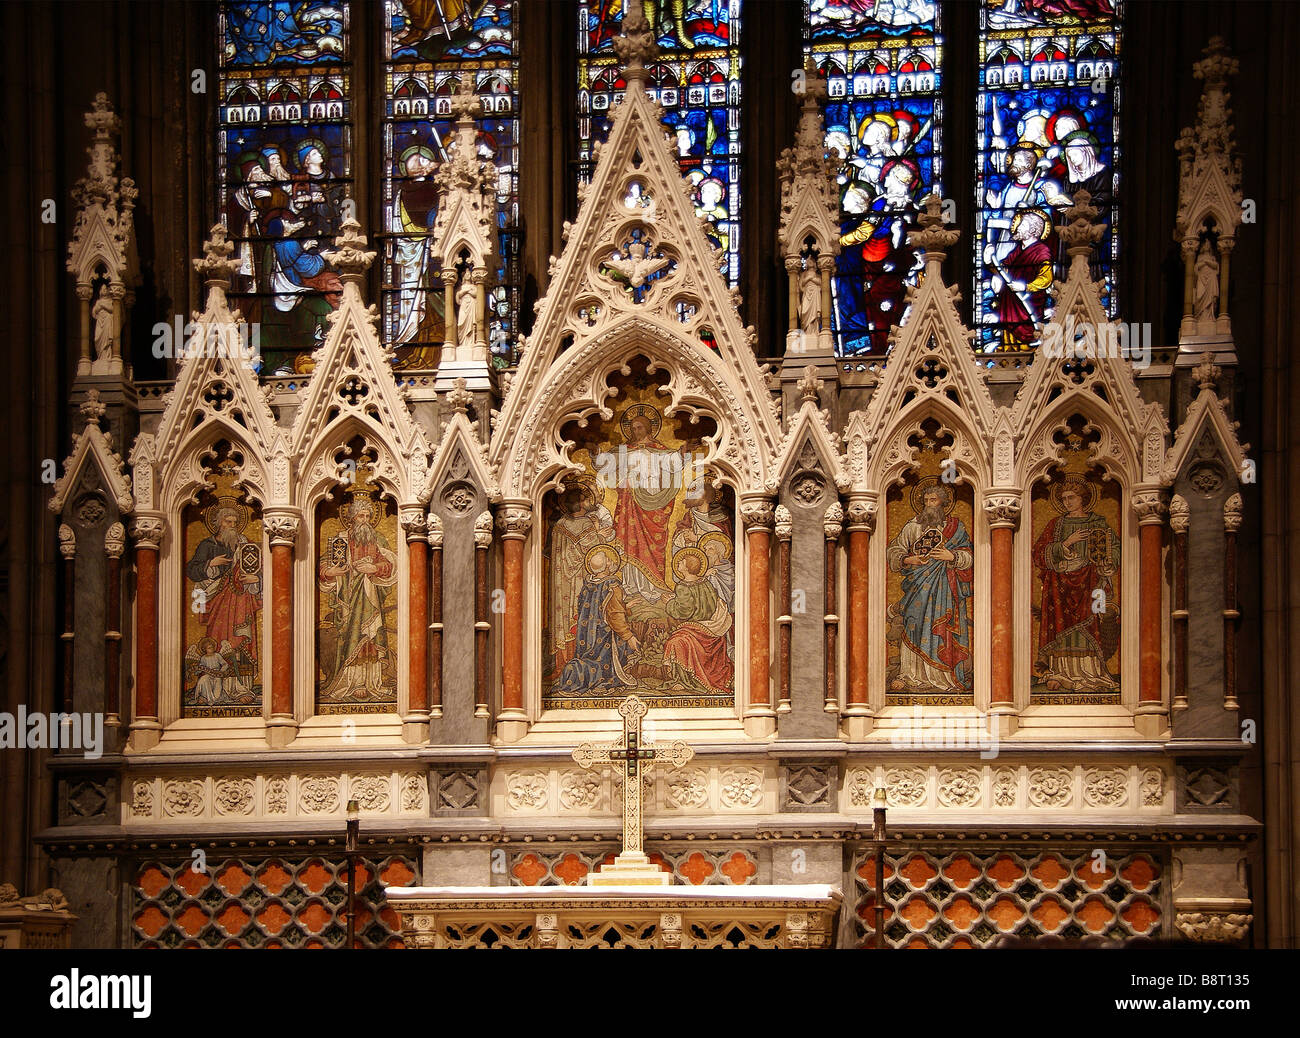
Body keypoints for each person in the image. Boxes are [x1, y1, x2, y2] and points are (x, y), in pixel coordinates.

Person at [1032, 477, 1120, 691]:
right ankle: (1060, 673)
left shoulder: (1097, 522)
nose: (1067, 502)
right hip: (1060, 584)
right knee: (1061, 627)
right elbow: (1038, 553)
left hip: (1090, 582)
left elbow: (1113, 547)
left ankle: (1091, 673)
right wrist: (1065, 544)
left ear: (1083, 499)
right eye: (1063, 499)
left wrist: (1109, 564)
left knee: (1090, 625)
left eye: (1071, 498)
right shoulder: (1056, 524)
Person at [886, 482, 974, 692]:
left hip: (946, 590)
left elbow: (970, 557)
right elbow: (893, 550)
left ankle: (944, 678)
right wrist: (910, 560)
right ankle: (910, 675)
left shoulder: (955, 528)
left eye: (933, 500)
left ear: (943, 502)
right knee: (914, 624)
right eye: (926, 501)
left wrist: (951, 556)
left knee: (942, 630)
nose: (929, 505)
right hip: (917, 588)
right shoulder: (913, 526)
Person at [318, 490, 398, 700]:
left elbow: (389, 564)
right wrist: (330, 572)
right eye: (361, 516)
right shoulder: (340, 540)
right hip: (348, 597)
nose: (365, 520)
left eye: (368, 516)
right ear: (352, 517)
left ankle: (372, 682)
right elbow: (325, 563)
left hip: (370, 595)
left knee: (371, 637)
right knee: (350, 636)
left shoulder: (376, 538)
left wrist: (375, 568)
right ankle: (350, 682)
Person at [553, 544, 638, 695]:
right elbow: (614, 614)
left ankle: (587, 679)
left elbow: (598, 607)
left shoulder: (587, 585)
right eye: (608, 560)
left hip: (587, 635)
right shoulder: (612, 585)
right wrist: (628, 636)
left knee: (590, 657)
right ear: (606, 566)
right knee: (606, 659)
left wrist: (625, 606)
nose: (611, 562)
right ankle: (604, 682)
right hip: (605, 634)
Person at [661, 548, 732, 695]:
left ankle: (686, 681)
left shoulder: (683, 587)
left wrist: (669, 603)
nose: (678, 563)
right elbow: (712, 603)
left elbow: (683, 611)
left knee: (675, 642)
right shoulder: (705, 583)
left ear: (687, 568)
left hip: (696, 628)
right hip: (711, 626)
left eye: (681, 561)